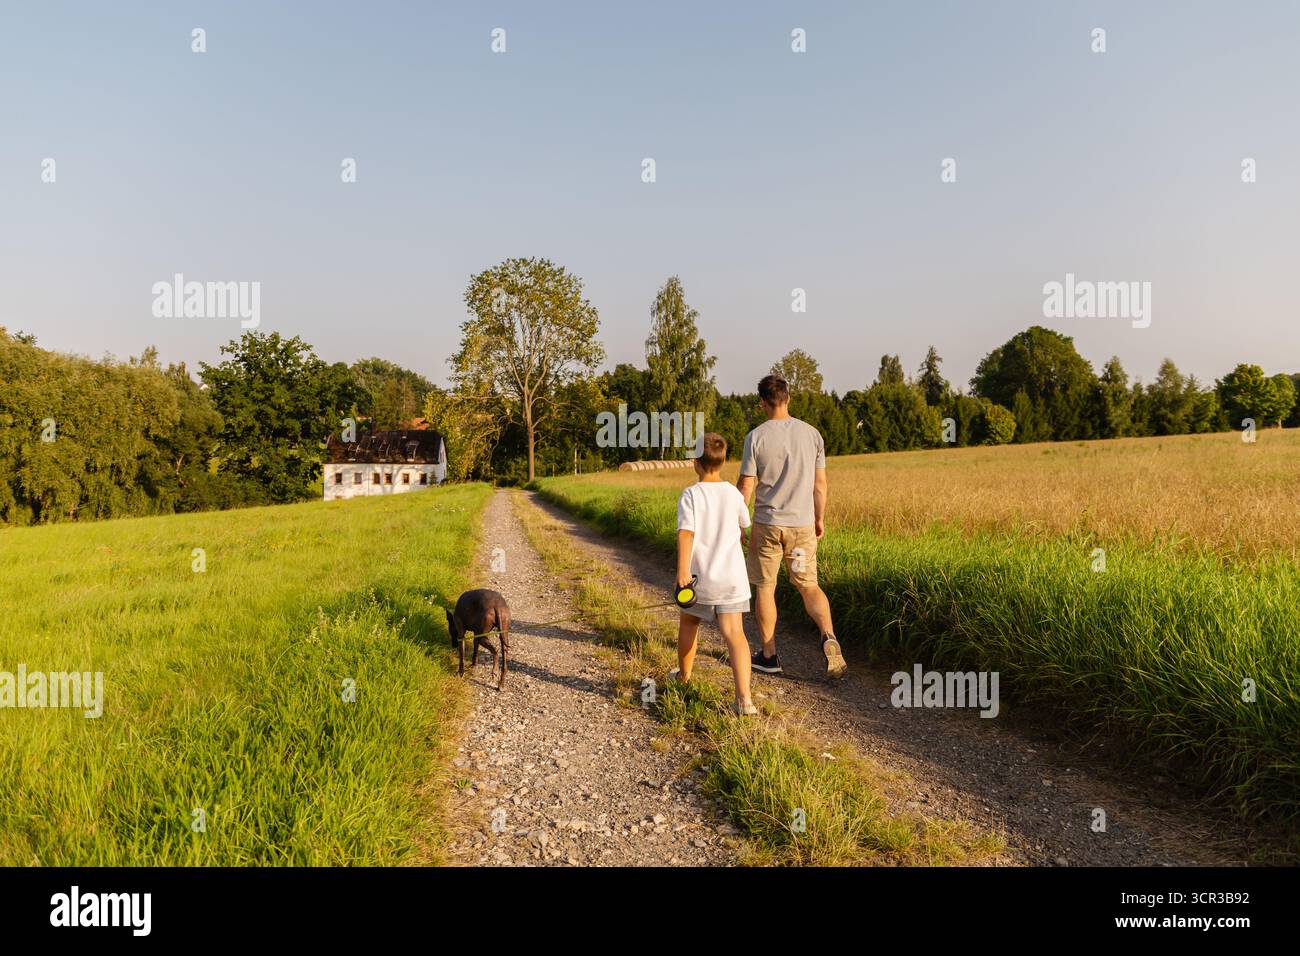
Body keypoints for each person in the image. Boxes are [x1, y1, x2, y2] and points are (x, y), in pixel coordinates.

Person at [737, 374, 847, 679]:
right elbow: (820, 486)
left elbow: (746, 486)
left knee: (766, 588)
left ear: (762, 402)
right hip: (801, 528)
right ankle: (828, 634)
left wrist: (738, 523)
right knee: (807, 585)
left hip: (768, 527)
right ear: (788, 398)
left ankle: (769, 655)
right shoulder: (812, 435)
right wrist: (818, 518)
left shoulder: (755, 437)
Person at [672, 432, 757, 716]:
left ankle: (683, 677)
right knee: (735, 634)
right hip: (732, 579)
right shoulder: (734, 494)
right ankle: (744, 699)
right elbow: (744, 524)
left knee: (689, 624)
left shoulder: (691, 495)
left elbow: (686, 533)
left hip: (701, 579)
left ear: (696, 461)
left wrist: (683, 570)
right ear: (723, 461)